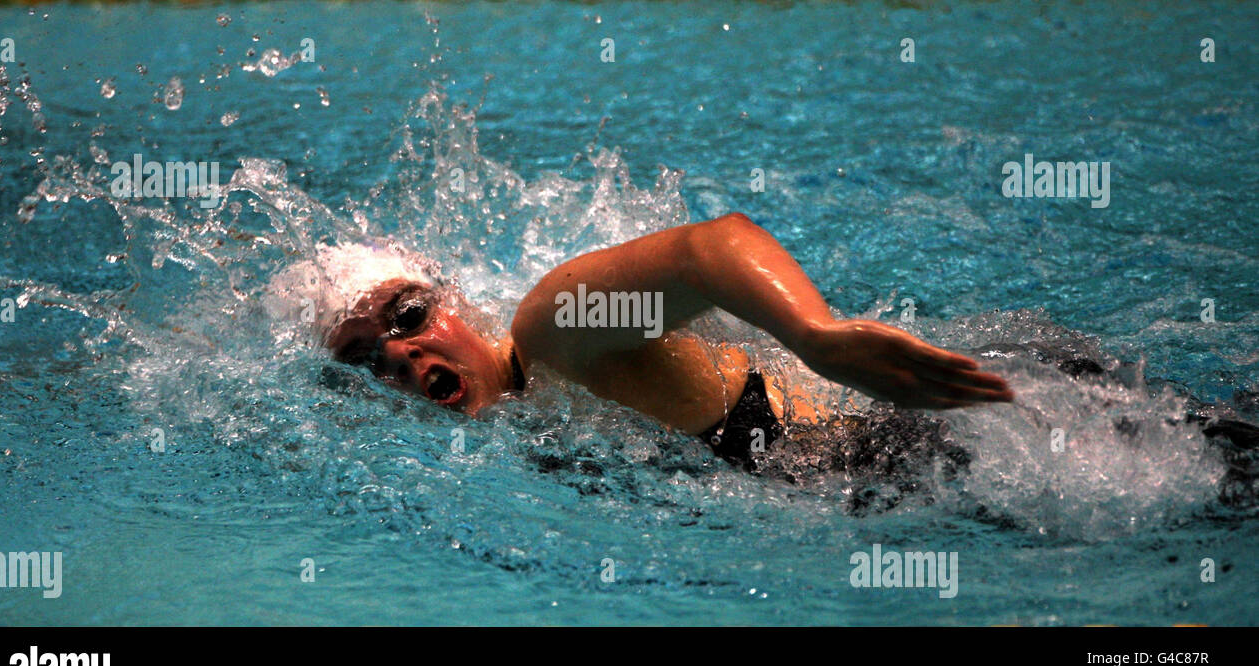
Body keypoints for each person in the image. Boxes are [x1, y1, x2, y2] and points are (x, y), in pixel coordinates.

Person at [315, 212, 1015, 473]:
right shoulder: (520, 426)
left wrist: (816, 337)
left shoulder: (553, 332)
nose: (399, 355)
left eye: (409, 316)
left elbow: (709, 251)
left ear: (457, 300)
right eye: (364, 360)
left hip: (947, 429)